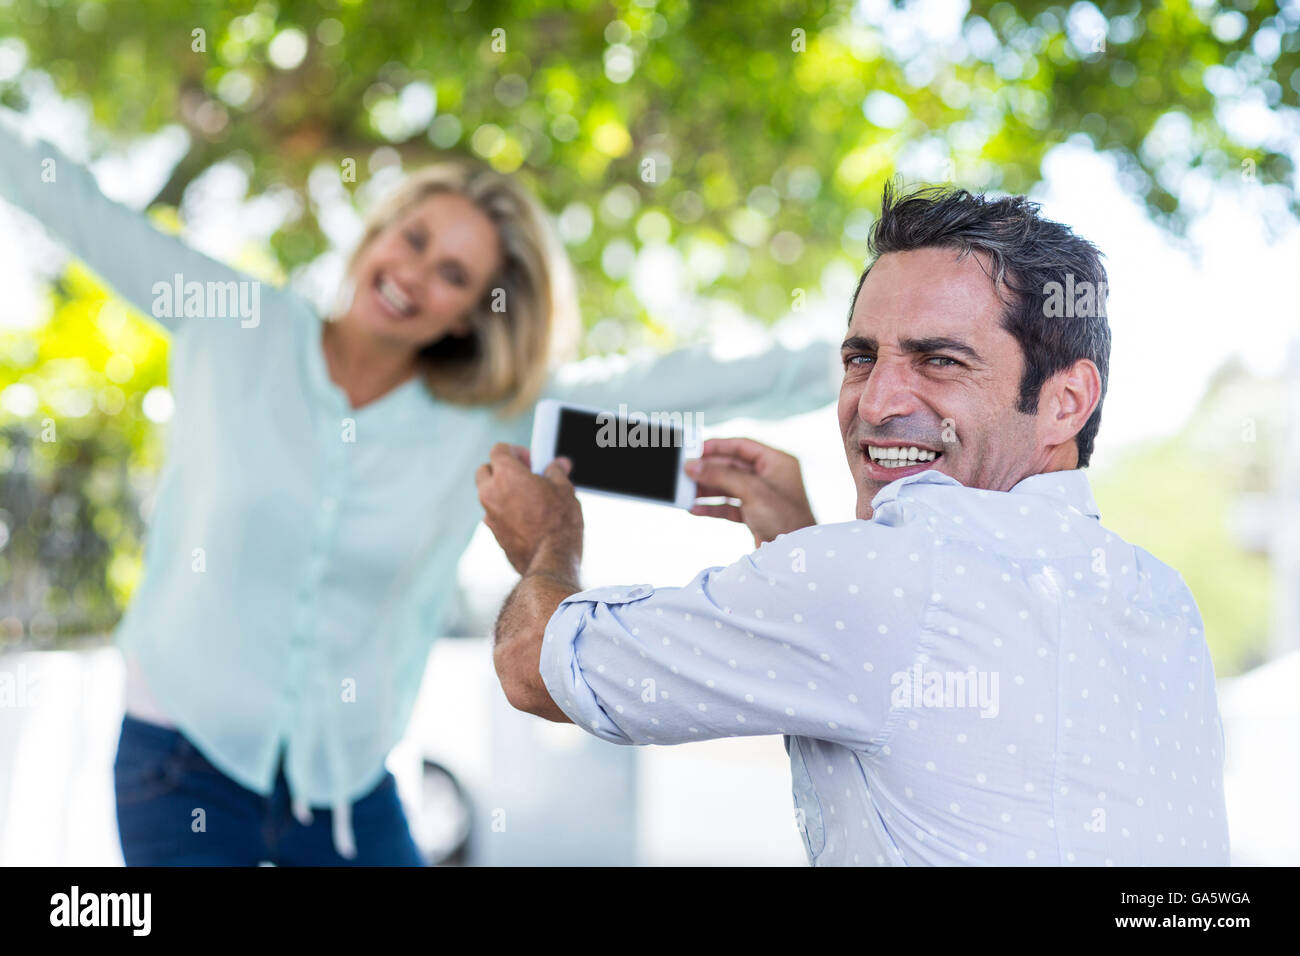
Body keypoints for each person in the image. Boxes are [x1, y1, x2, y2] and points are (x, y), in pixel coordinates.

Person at [0, 114, 839, 865]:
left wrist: (869, 359)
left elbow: (675, 386)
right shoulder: (233, 322)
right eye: (412, 239)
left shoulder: (487, 421)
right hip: (177, 760)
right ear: (376, 233)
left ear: (469, 316)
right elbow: (73, 202)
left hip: (347, 789)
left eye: (452, 274)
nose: (414, 275)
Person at [476, 183, 1231, 866]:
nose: (873, 403)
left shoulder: (876, 584)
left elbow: (535, 664)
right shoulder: (1161, 598)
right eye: (861, 357)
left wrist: (548, 540)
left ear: (1066, 401)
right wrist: (799, 543)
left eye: (938, 361)